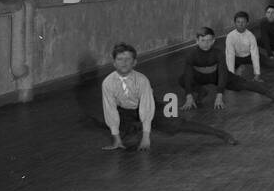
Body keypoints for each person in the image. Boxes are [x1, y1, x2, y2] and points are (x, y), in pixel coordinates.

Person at [99, 42, 236, 150]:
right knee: (121, 129)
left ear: (134, 62)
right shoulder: (108, 83)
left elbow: (146, 109)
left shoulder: (141, 80)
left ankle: (221, 134)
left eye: (128, 59)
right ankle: (133, 128)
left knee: (177, 125)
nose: (124, 62)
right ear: (114, 63)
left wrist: (146, 138)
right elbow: (110, 110)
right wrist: (116, 139)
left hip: (149, 107)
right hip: (124, 112)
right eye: (120, 59)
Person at [181, 27, 274, 109]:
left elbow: (222, 74)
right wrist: (188, 95)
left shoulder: (218, 53)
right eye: (203, 40)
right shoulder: (191, 55)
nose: (206, 43)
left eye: (209, 40)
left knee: (245, 84)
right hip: (200, 77)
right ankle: (201, 91)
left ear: (213, 41)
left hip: (217, 75)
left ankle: (272, 95)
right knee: (182, 79)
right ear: (197, 41)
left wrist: (219, 95)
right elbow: (188, 75)